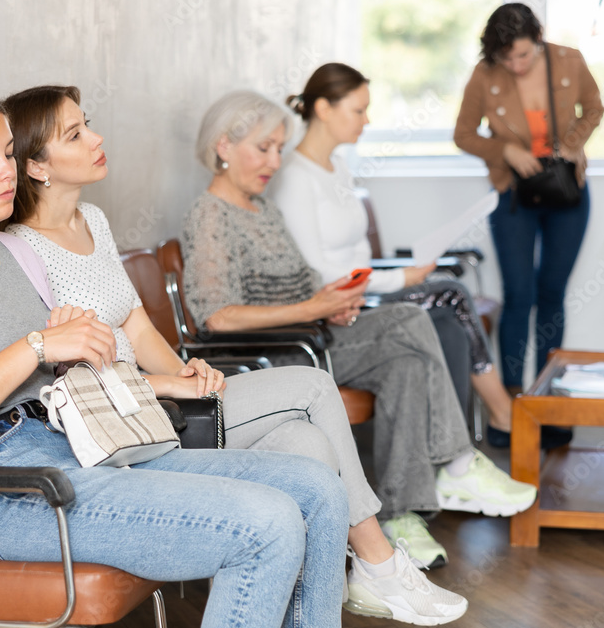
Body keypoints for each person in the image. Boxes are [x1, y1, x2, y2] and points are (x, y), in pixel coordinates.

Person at [0, 87, 349, 628]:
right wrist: (35, 348)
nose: (6, 171)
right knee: (267, 522)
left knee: (318, 491)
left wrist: (159, 382)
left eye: (7, 153)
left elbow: (63, 376)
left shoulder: (17, 252)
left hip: (72, 447)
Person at [0, 85, 467, 625]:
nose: (97, 138)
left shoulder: (94, 222)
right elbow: (64, 380)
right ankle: (378, 562)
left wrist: (184, 369)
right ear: (36, 165)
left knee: (308, 444)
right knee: (313, 385)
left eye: (89, 124)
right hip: (122, 423)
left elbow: (133, 322)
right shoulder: (20, 250)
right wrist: (171, 385)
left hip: (164, 402)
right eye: (76, 134)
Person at [183, 89, 539, 570]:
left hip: (310, 334)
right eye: (263, 147)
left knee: (407, 364)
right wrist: (313, 305)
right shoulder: (210, 215)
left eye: (279, 148)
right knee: (412, 318)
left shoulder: (260, 207)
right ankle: (455, 461)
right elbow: (217, 317)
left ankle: (400, 515)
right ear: (223, 146)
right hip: (277, 354)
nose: (274, 160)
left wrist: (332, 303)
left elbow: (302, 282)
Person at [271, 62, 571, 451]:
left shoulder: (339, 168)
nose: (367, 119)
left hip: (361, 293)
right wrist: (401, 279)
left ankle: (456, 454)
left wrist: (401, 274)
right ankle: (500, 415)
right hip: (335, 309)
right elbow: (319, 272)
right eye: (358, 110)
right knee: (449, 294)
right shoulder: (295, 176)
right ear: (325, 109)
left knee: (448, 322)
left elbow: (358, 253)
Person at [454, 3, 604, 399]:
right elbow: (463, 134)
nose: (516, 64)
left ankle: (550, 397)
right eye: (507, 57)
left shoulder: (569, 60)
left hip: (565, 191)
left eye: (523, 54)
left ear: (538, 39)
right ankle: (513, 402)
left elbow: (594, 107)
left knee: (552, 293)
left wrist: (571, 145)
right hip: (513, 197)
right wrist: (505, 150)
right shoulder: (484, 75)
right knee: (519, 295)